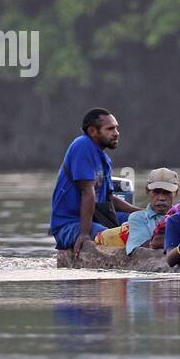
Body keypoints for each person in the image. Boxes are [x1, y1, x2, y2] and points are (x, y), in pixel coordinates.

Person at [49, 108, 141, 256]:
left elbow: (109, 199)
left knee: (143, 222)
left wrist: (142, 213)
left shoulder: (104, 159)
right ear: (92, 131)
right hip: (70, 224)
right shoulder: (82, 146)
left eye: (116, 128)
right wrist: (84, 234)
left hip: (97, 218)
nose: (116, 133)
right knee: (110, 236)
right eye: (110, 129)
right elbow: (87, 191)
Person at [94, 168, 179, 252]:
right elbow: (139, 252)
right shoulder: (138, 218)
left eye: (167, 193)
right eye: (156, 192)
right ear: (147, 192)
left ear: (176, 193)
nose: (161, 198)